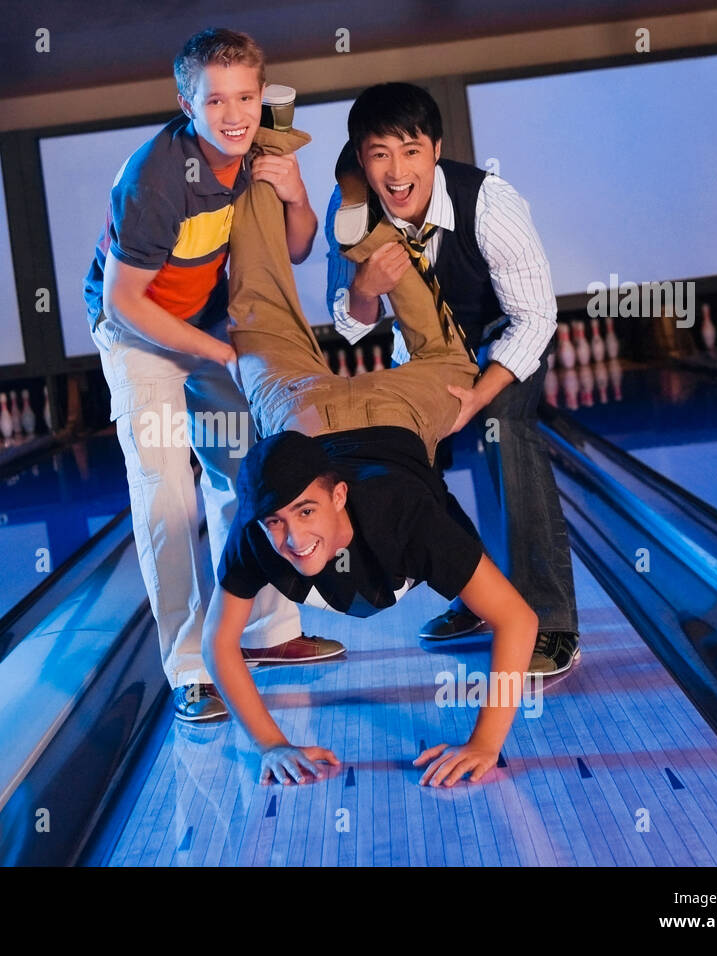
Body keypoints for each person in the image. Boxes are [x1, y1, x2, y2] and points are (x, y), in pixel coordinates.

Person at [202, 117, 537, 787]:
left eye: (301, 514)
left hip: (368, 415)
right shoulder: (266, 524)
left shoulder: (402, 517)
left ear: (339, 496)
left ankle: (278, 162)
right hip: (310, 422)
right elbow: (516, 620)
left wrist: (483, 744)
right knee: (272, 310)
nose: (291, 538)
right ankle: (349, 215)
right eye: (276, 523)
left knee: (274, 307)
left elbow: (518, 620)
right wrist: (272, 746)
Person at [83, 28, 344, 724]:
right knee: (168, 493)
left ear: (261, 95)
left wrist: (296, 197)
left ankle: (267, 635)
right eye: (216, 100)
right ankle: (191, 668)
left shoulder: (259, 150)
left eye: (246, 97)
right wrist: (217, 352)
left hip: (207, 324)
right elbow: (123, 301)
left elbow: (295, 247)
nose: (234, 114)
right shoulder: (156, 178)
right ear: (186, 103)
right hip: (140, 335)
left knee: (247, 475)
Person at [325, 82, 579, 676]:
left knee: (501, 431)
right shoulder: (353, 214)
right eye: (378, 152)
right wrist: (364, 291)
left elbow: (536, 317)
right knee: (408, 459)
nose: (395, 169)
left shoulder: (490, 203)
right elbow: (353, 325)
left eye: (410, 150)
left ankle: (551, 621)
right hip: (419, 357)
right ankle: (478, 596)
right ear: (360, 159)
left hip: (500, 343)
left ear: (435, 150)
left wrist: (478, 396)